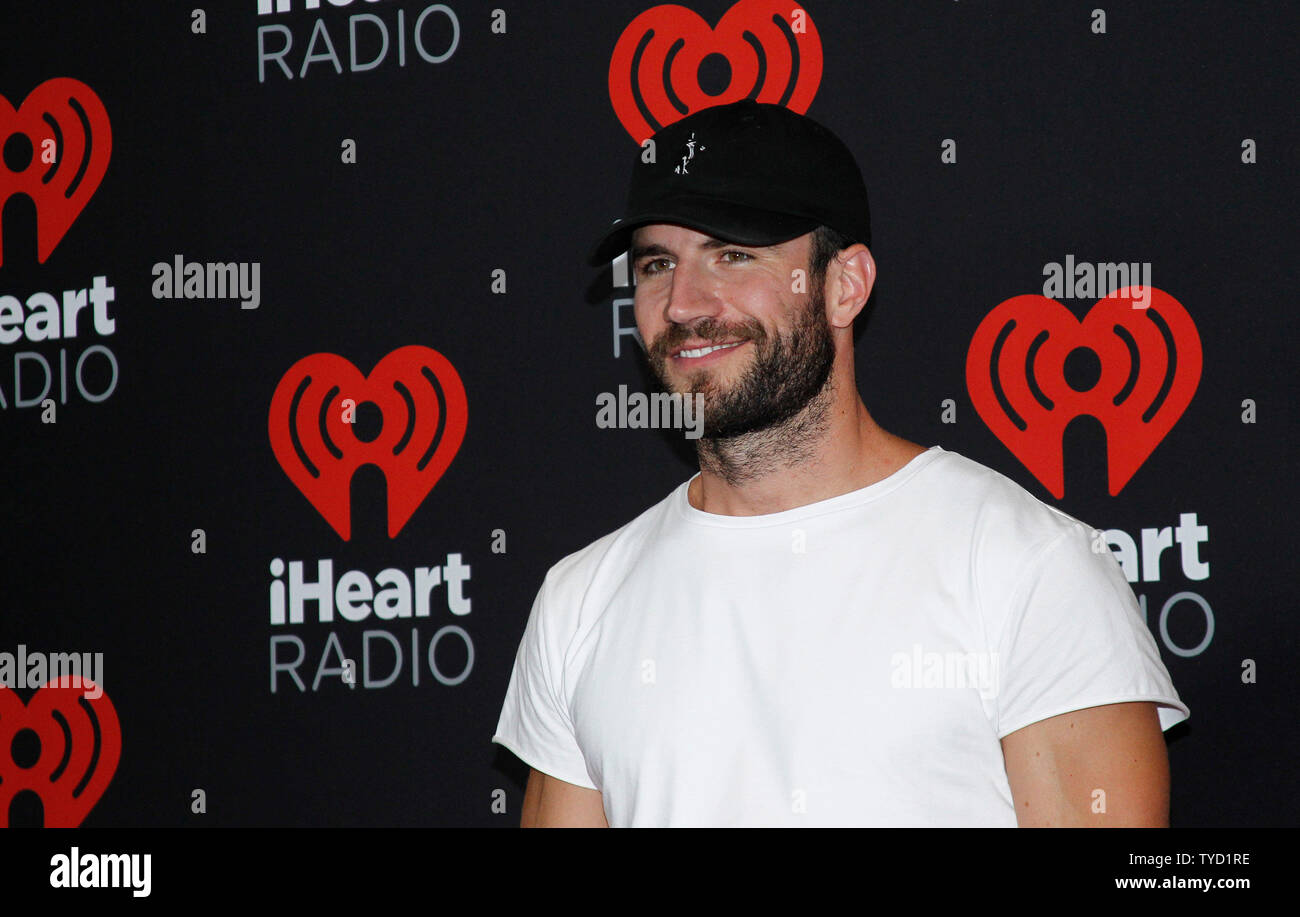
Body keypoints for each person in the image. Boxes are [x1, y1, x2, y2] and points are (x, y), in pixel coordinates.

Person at [492, 99, 1188, 827]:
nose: (685, 304)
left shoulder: (1025, 565)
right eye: (658, 263)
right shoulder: (579, 602)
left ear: (844, 285)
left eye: (732, 253)